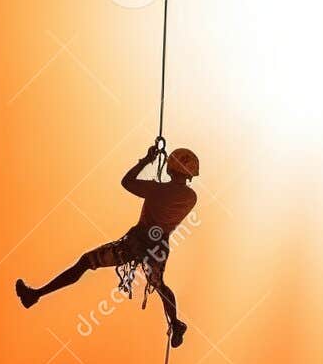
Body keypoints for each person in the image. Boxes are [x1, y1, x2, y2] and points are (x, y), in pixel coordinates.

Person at [16, 143, 199, 347]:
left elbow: (127, 182)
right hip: (158, 246)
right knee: (159, 284)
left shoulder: (157, 190)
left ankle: (36, 295)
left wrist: (146, 161)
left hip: (136, 242)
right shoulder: (190, 197)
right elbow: (166, 193)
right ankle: (175, 323)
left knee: (86, 262)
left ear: (171, 167)